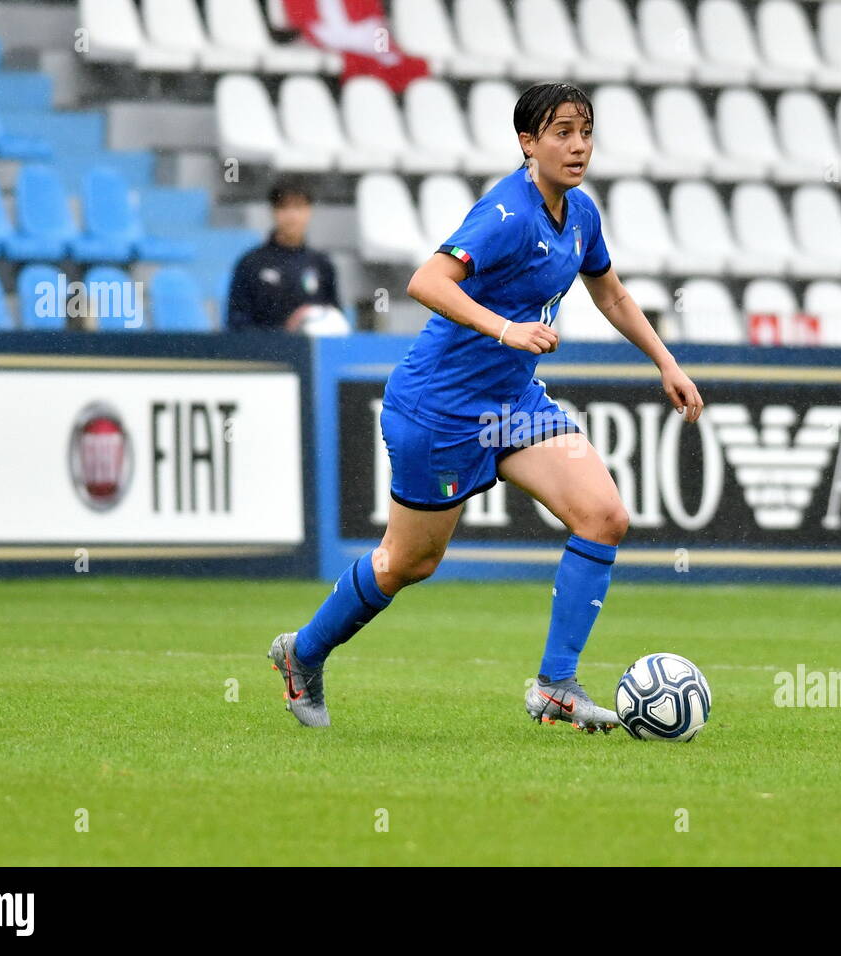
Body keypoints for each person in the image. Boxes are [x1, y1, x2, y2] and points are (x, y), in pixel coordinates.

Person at [269, 82, 704, 733]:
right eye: (561, 132)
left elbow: (610, 294)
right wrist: (507, 330)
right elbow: (426, 281)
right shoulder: (507, 214)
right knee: (409, 561)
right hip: (439, 410)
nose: (578, 144)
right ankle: (302, 653)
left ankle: (556, 685)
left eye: (585, 131)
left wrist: (665, 361)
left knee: (604, 515)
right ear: (528, 143)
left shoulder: (581, 214)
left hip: (512, 406)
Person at [225, 176, 340, 332]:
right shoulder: (251, 263)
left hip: (311, 352)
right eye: (284, 207)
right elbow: (236, 323)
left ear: (309, 211)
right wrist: (284, 334)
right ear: (273, 211)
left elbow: (334, 317)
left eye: (298, 207)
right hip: (264, 353)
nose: (292, 216)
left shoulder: (322, 264)